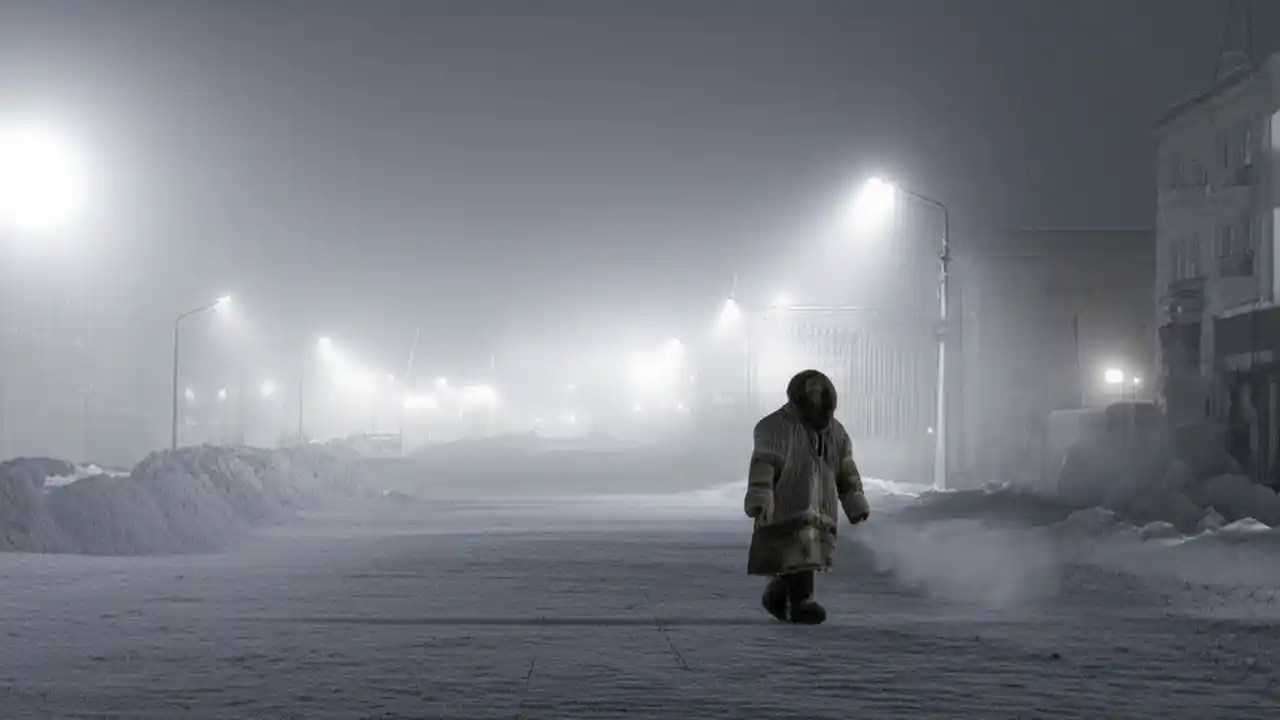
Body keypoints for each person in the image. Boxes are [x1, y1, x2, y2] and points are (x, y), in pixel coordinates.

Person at [743, 369, 870, 624]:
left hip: (819, 506)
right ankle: (802, 602)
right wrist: (760, 496)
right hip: (786, 503)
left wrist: (855, 502)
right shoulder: (775, 427)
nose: (815, 395)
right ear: (798, 392)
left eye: (819, 390)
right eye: (809, 390)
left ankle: (778, 595)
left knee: (803, 555)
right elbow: (764, 463)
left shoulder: (836, 432)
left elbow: (846, 469)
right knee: (796, 553)